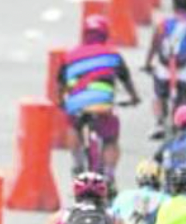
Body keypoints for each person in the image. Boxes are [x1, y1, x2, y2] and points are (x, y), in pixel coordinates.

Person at [59, 15, 141, 186]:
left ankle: (77, 162)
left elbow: (61, 84)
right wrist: (134, 98)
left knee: (73, 124)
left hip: (77, 105)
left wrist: (62, 102)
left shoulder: (69, 56)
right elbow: (126, 80)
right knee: (111, 139)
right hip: (103, 106)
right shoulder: (113, 55)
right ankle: (109, 175)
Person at [144, 0, 186, 139]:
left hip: (166, 71)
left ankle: (159, 121)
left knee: (158, 94)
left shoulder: (163, 25)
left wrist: (147, 63)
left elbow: (154, 46)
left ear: (173, 4)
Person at [109, 159, 169, 224]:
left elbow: (111, 217)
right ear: (160, 180)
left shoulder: (124, 195)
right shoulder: (166, 199)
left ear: (138, 178)